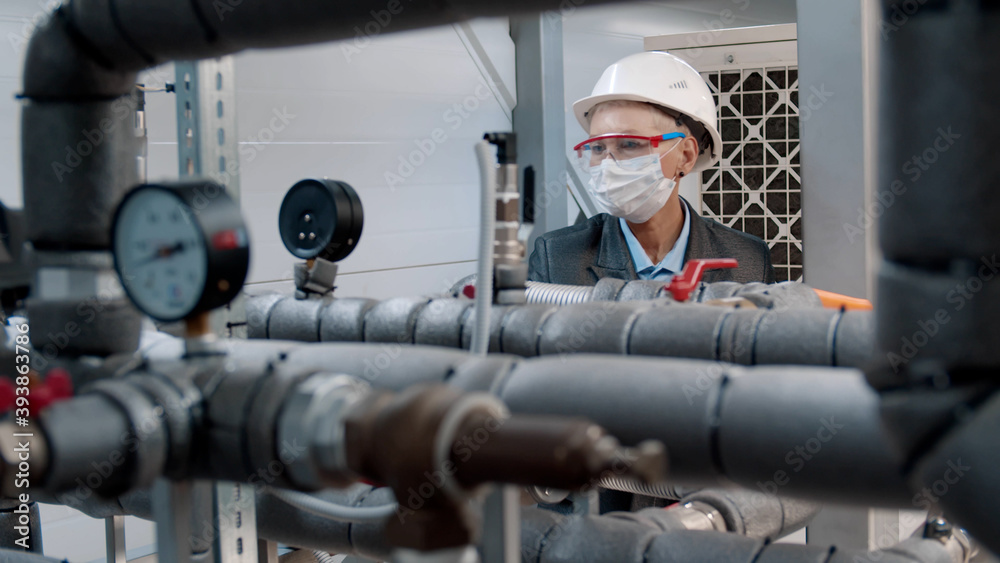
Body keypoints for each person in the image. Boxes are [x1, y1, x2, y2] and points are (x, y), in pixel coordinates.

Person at [528, 51, 775, 285]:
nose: (608, 165)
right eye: (598, 148)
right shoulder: (558, 260)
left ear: (686, 156)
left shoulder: (747, 261)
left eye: (630, 144)